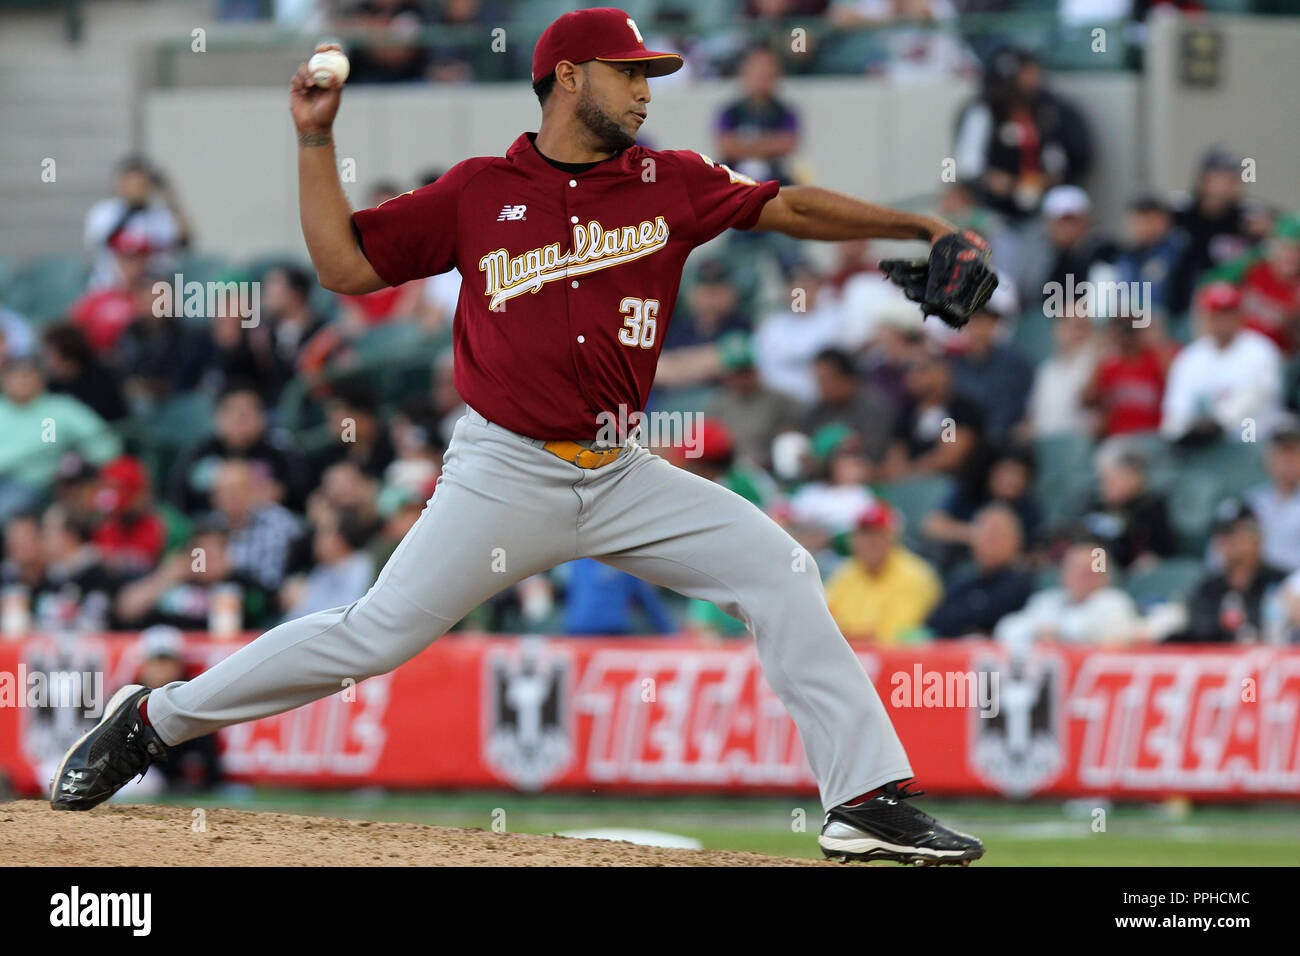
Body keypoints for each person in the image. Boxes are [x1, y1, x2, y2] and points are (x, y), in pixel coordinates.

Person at [53, 10, 983, 866]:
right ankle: (155, 720)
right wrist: (313, 139)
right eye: (630, 73)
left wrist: (921, 223)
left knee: (780, 572)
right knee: (371, 637)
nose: (647, 89)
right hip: (505, 470)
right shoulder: (478, 193)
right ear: (569, 77)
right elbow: (341, 266)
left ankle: (862, 799)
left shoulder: (671, 181)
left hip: (622, 472)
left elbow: (791, 205)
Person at [1160, 282, 1282, 446]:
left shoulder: (1260, 350)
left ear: (1238, 315)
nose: (1222, 321)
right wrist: (1182, 433)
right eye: (1216, 314)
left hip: (1253, 446)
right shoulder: (1190, 358)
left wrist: (1218, 421)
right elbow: (1176, 411)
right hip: (1203, 451)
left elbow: (1257, 395)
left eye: (1228, 313)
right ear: (1204, 317)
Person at [824, 502, 942, 646]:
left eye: (878, 535)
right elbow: (825, 620)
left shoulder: (915, 574)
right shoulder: (845, 572)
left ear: (894, 537)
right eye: (864, 535)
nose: (870, 543)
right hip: (846, 656)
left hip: (896, 663)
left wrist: (849, 635)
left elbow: (895, 636)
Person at [994, 540, 1141, 652]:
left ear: (1104, 576)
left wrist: (1058, 633)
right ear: (1063, 573)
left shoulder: (1113, 600)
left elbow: (1110, 635)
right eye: (1074, 569)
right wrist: (1038, 633)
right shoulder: (1048, 600)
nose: (1080, 577)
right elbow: (1007, 629)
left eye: (1089, 571)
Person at [1175, 499, 1286, 643]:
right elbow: (1199, 633)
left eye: (1234, 533)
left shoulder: (1283, 583)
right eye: (1221, 534)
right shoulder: (1207, 589)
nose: (1226, 541)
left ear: (1257, 537)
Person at [925, 503, 1034, 639]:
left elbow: (989, 616)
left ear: (1016, 541)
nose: (988, 542)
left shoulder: (1021, 584)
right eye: (983, 534)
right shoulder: (963, 581)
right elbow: (936, 622)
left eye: (996, 535)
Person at [83, 155, 190, 290]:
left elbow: (185, 243)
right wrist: (130, 210)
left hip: (151, 288)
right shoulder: (104, 212)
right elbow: (101, 243)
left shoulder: (160, 214)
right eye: (131, 183)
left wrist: (169, 196)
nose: (136, 188)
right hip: (108, 285)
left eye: (140, 183)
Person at [713, 46, 800, 185]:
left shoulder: (784, 111)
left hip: (775, 176)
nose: (762, 79)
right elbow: (725, 144)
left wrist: (745, 143)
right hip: (734, 176)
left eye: (767, 74)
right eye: (758, 73)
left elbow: (788, 143)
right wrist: (768, 144)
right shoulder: (731, 111)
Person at [1078, 451, 1175, 571]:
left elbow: (1162, 549)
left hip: (1130, 574)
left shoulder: (1150, 507)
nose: (1104, 486)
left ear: (1133, 476)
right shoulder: (1094, 507)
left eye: (1111, 480)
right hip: (1097, 569)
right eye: (1102, 481)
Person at [559, 558, 676, 635]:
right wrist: (669, 631)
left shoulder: (576, 560)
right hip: (609, 632)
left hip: (578, 630)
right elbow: (648, 601)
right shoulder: (625, 562)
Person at [1243, 418, 1300, 574]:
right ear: (1268, 459)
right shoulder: (1250, 502)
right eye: (1280, 452)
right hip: (1256, 586)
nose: (1286, 460)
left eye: (1292, 452)